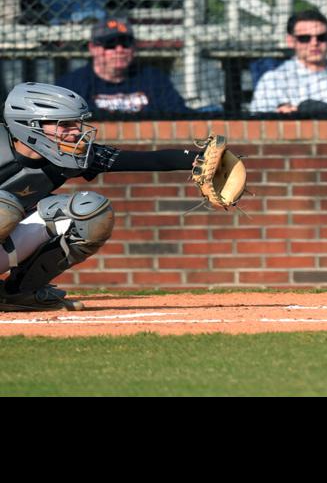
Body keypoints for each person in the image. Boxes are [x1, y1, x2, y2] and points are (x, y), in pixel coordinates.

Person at [0, 82, 223, 311]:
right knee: (5, 208)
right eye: (64, 125)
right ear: (29, 125)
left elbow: (143, 160)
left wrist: (199, 159)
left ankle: (18, 293)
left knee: (90, 211)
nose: (76, 132)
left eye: (76, 123)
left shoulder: (72, 156)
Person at [53, 18, 190, 114]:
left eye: (125, 43)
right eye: (110, 44)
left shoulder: (154, 79)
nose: (119, 50)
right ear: (93, 48)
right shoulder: (72, 85)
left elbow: (181, 116)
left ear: (133, 48)